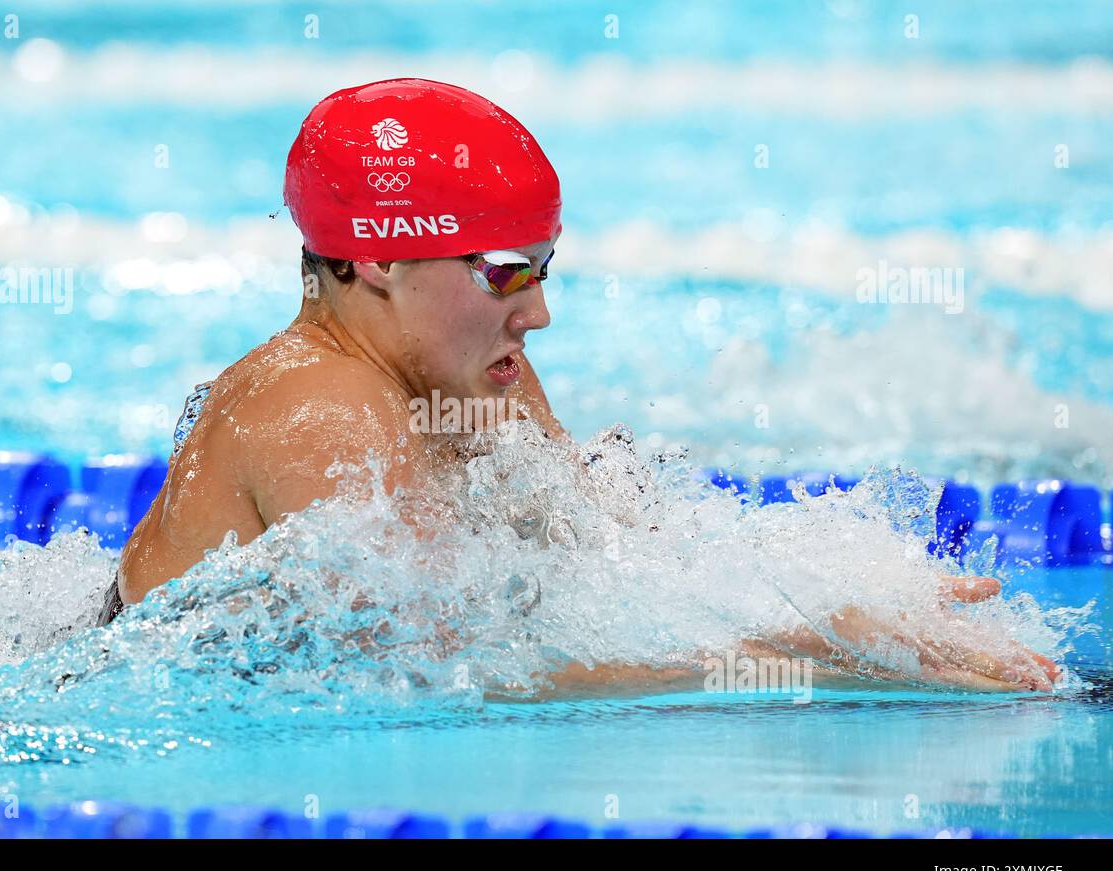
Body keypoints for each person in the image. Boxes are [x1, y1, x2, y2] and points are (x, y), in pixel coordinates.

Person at [100, 77, 1059, 695]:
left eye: (545, 266)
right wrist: (804, 656)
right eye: (507, 270)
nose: (539, 311)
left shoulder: (472, 371)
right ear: (382, 256)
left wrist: (846, 595)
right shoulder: (315, 405)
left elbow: (603, 557)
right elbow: (451, 674)